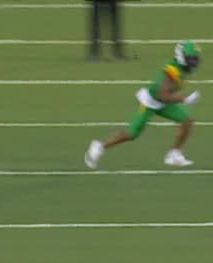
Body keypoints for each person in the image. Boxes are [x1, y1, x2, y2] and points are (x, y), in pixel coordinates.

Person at [85, 41, 201, 169]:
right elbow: (161, 95)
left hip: (164, 102)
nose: (193, 62)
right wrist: (185, 99)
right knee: (131, 134)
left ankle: (174, 154)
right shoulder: (171, 71)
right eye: (191, 59)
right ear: (181, 56)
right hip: (151, 102)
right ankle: (99, 146)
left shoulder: (180, 69)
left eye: (195, 59)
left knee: (187, 121)